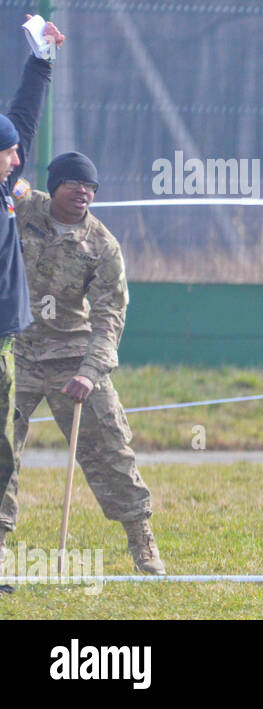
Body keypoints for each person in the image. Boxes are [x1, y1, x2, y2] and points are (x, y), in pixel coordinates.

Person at [1, 151, 164, 575]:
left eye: (90, 187)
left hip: (72, 355)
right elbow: (8, 175)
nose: (83, 193)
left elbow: (111, 316)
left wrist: (89, 374)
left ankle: (141, 541)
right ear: (54, 186)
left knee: (110, 447)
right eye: (74, 184)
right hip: (14, 348)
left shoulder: (102, 245)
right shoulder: (23, 204)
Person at [0, 15, 65, 576]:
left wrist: (42, 61)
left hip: (4, 345)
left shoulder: (3, 181)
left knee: (1, 452)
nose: (18, 160)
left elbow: (21, 120)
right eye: (9, 154)